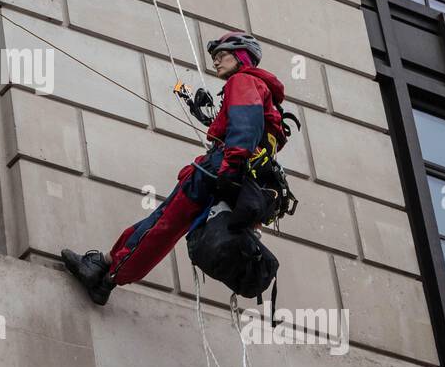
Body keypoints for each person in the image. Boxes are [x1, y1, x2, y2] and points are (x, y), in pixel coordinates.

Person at [61, 32, 288, 305]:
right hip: (239, 182)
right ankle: (107, 270)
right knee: (164, 225)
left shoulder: (243, 81)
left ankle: (105, 272)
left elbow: (244, 128)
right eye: (213, 57)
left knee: (162, 224)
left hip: (218, 171)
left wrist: (230, 165)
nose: (215, 61)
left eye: (221, 55)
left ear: (241, 56)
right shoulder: (266, 95)